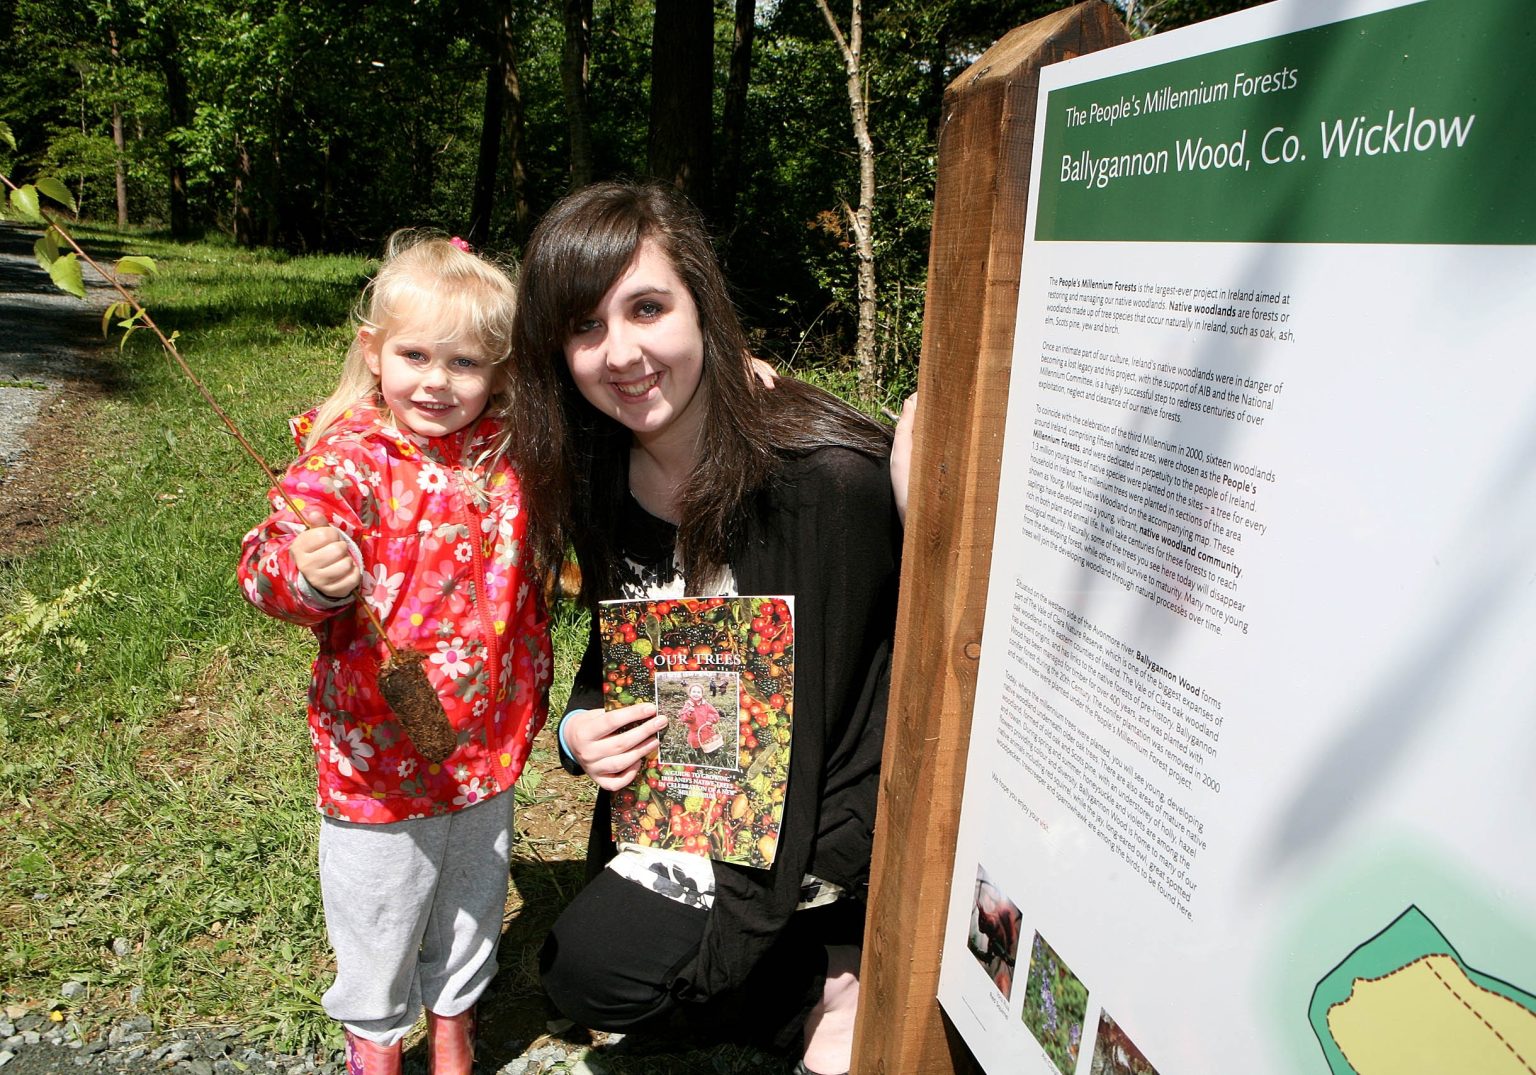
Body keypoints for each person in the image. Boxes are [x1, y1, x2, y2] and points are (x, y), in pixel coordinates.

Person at [517, 181, 902, 1075]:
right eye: (585, 326)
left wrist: (733, 934)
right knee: (581, 976)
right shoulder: (606, 477)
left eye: (648, 308)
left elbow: (850, 716)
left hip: (820, 820)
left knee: (639, 978)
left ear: (703, 306)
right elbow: (614, 653)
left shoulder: (822, 481)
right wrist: (579, 735)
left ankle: (837, 963)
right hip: (691, 808)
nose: (621, 353)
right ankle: (804, 977)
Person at [236, 232, 564, 1075]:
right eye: (415, 354)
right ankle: (376, 1043)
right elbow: (265, 562)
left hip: (483, 751)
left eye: (463, 363)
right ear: (374, 352)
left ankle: (454, 1028)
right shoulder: (348, 460)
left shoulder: (513, 454)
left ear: (497, 373)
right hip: (374, 760)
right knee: (379, 913)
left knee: (470, 904)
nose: (435, 381)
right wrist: (309, 572)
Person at [677, 681, 723, 752]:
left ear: (702, 694)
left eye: (698, 692)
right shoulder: (688, 705)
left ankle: (710, 752)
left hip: (707, 729)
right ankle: (697, 752)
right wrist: (690, 713)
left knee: (709, 743)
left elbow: (714, 714)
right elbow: (684, 718)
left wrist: (710, 720)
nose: (696, 694)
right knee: (696, 744)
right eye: (694, 692)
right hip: (695, 731)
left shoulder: (706, 704)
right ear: (690, 693)